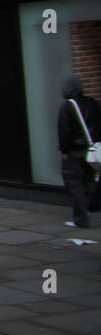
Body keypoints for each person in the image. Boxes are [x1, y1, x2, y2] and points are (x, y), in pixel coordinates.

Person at [59, 75, 99, 229]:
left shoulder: (68, 106)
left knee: (74, 185)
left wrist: (64, 149)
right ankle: (93, 206)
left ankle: (81, 219)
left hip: (74, 151)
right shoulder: (93, 103)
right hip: (93, 150)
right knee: (91, 181)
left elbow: (64, 130)